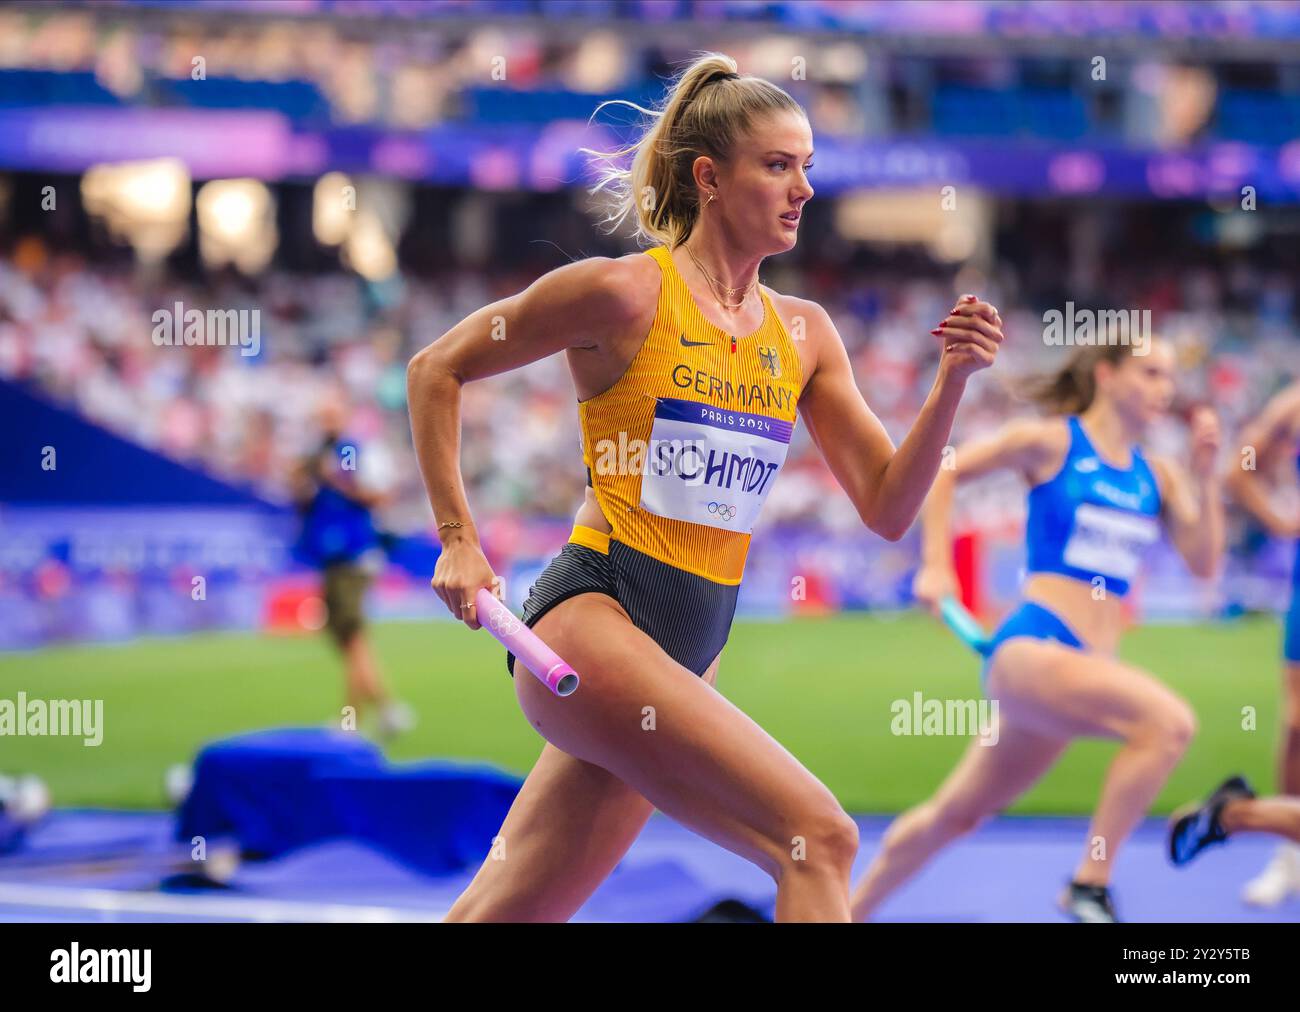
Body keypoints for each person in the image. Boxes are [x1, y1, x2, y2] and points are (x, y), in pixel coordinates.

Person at [406, 52, 1004, 922]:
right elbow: (436, 368)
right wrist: (459, 537)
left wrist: (952, 381)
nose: (802, 188)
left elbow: (888, 506)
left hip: (688, 650)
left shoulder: (804, 334)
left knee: (506, 912)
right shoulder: (623, 294)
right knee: (819, 839)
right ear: (709, 178)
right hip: (590, 624)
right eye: (778, 166)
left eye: (808, 167)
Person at [850, 339, 1224, 923]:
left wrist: (1205, 477)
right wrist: (937, 564)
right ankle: (1089, 885)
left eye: (1170, 378)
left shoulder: (1162, 475)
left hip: (1081, 669)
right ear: (1107, 374)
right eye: (1150, 373)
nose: (1165, 388)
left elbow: (1204, 564)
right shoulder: (1052, 441)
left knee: (955, 815)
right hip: (1034, 647)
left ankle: (842, 911)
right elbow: (946, 466)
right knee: (1168, 724)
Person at [1216, 381, 1300, 903]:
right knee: (1298, 723)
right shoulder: (1293, 404)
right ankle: (1290, 856)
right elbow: (1238, 470)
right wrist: (1282, 522)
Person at [294, 398, 413, 740]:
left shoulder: (359, 452)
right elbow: (304, 501)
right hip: (330, 555)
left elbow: (378, 497)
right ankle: (385, 708)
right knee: (346, 637)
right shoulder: (314, 456)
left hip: (354, 553)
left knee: (352, 635)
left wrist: (336, 481)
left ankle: (359, 716)